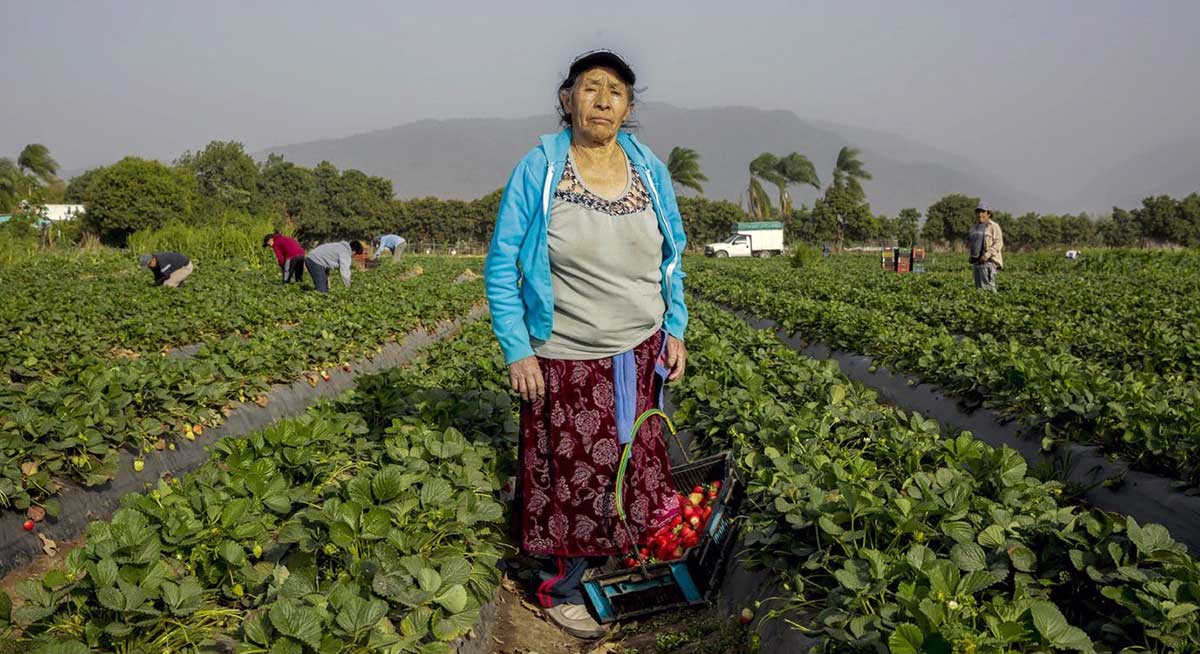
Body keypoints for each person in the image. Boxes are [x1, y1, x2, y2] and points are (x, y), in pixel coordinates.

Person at [484, 49, 688, 639]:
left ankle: (618, 556)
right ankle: (561, 587)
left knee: (633, 458)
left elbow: (672, 255)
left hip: (641, 348)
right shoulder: (541, 168)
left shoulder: (649, 169)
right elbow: (500, 265)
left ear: (628, 107)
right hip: (566, 353)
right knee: (571, 473)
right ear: (567, 99)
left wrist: (675, 327)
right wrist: (518, 348)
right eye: (591, 87)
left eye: (616, 91)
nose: (603, 100)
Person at [968, 201, 1004, 292]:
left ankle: (994, 301)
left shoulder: (994, 226)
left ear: (989, 214)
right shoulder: (974, 228)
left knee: (988, 288)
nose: (980, 214)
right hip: (977, 263)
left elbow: (998, 243)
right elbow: (974, 245)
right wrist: (971, 256)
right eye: (978, 212)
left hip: (988, 262)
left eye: (983, 212)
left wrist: (986, 255)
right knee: (979, 289)